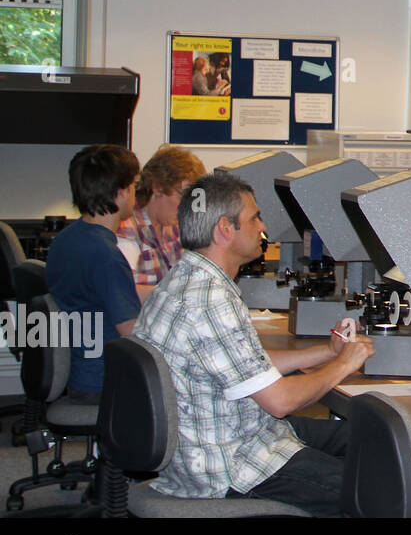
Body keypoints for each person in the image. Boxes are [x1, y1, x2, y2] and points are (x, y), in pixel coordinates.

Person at [134, 171, 374, 516]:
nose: (263, 228)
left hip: (221, 439)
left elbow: (246, 365)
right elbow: (280, 402)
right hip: (229, 465)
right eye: (254, 218)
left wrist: (327, 351)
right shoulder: (209, 300)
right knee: (378, 488)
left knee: (366, 439)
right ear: (224, 229)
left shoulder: (186, 278)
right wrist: (343, 365)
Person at [45, 144, 142, 402]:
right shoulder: (107, 255)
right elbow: (134, 334)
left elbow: (101, 295)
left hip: (81, 372)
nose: (136, 193)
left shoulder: (66, 240)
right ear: (121, 193)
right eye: (134, 185)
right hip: (104, 381)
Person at [117, 145, 206, 292]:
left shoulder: (171, 227)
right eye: (183, 195)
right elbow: (124, 292)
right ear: (157, 187)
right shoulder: (127, 229)